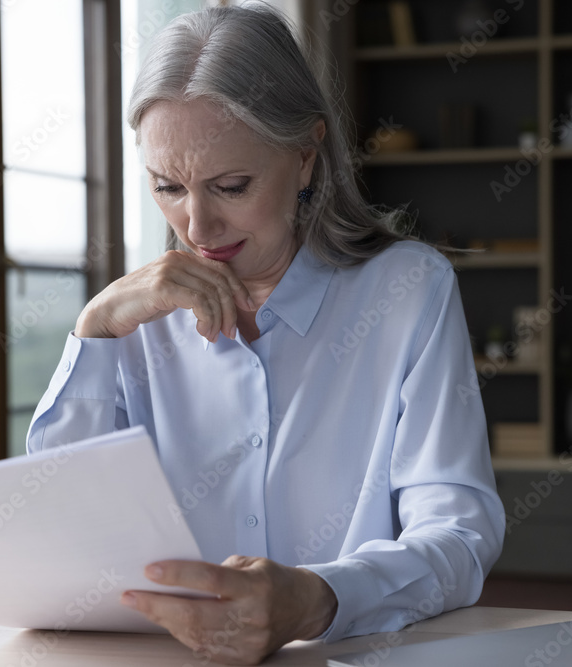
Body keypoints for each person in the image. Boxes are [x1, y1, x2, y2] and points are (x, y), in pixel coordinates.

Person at [26, 3, 504, 664]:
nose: (196, 225)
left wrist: (318, 596)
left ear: (306, 157)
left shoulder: (407, 291)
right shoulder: (134, 319)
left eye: (230, 185)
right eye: (167, 186)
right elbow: (57, 532)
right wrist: (93, 332)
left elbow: (460, 535)